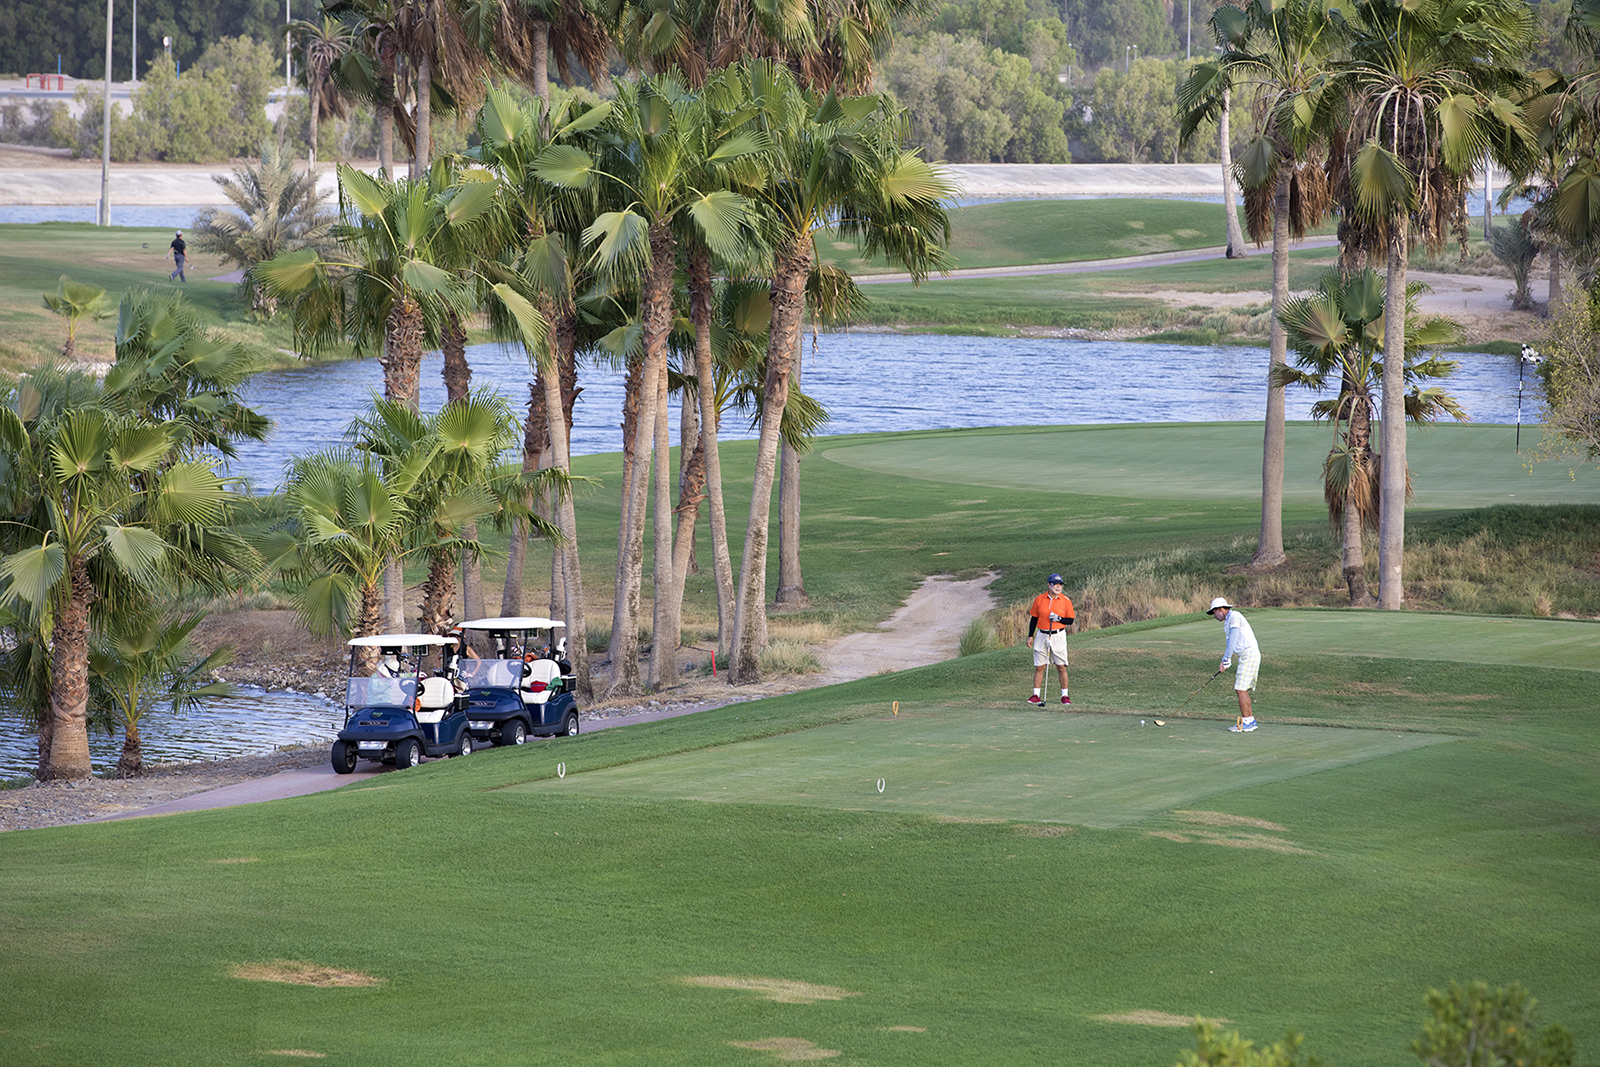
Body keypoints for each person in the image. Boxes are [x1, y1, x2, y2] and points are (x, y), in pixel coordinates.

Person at [1207, 597, 1259, 731]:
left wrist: (1228, 658)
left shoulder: (1235, 616)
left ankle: (1247, 722)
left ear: (1220, 609)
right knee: (1241, 689)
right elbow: (1230, 643)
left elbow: (1235, 636)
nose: (1214, 616)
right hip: (1245, 654)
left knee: (1240, 688)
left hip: (1249, 653)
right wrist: (1225, 659)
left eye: (1214, 612)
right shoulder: (1228, 621)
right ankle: (1250, 721)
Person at [1024, 573, 1075, 705]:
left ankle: (1065, 696)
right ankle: (1036, 695)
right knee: (1040, 666)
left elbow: (1070, 620)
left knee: (1061, 667)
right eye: (1055, 584)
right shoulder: (1039, 599)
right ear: (1048, 585)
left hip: (1058, 635)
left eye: (1060, 585)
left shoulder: (1066, 600)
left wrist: (1059, 618)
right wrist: (1031, 635)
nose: (1058, 587)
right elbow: (1034, 618)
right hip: (1042, 634)